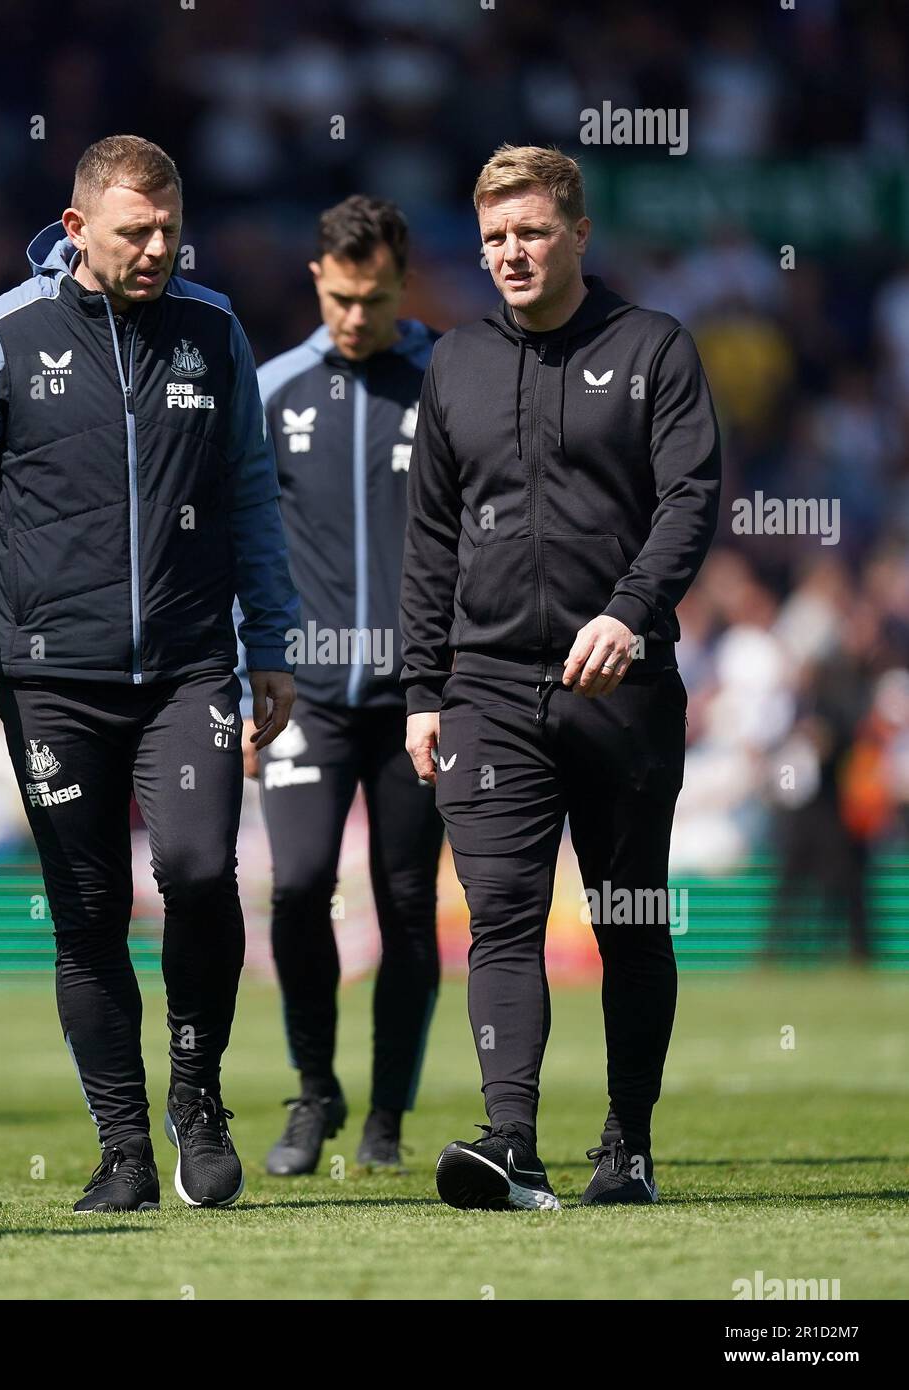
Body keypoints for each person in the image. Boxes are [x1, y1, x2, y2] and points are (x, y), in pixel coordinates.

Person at [0, 135, 300, 1212]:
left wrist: (276, 646)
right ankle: (122, 1149)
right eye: (135, 230)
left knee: (203, 873)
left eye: (170, 227)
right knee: (87, 910)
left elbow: (254, 495)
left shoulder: (214, 330)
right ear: (76, 230)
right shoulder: (3, 336)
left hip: (190, 665)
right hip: (50, 676)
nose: (159, 245)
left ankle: (197, 1095)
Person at [400, 144, 721, 1211]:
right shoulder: (455, 363)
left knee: (629, 915)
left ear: (579, 233)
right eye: (494, 237)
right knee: (499, 914)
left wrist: (630, 615)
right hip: (487, 687)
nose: (511, 253)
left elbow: (690, 502)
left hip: (620, 690)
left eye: (531, 232)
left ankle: (626, 1144)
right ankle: (510, 1141)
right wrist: (420, 688)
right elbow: (431, 538)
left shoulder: (654, 348)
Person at [238, 196, 444, 1175]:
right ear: (317, 278)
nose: (355, 317)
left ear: (402, 283)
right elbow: (241, 540)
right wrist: (248, 671)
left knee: (407, 900)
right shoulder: (273, 389)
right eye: (339, 296)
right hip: (305, 692)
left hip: (418, 695)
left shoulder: (447, 381)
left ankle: (387, 1118)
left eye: (373, 298)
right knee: (301, 886)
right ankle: (314, 1092)